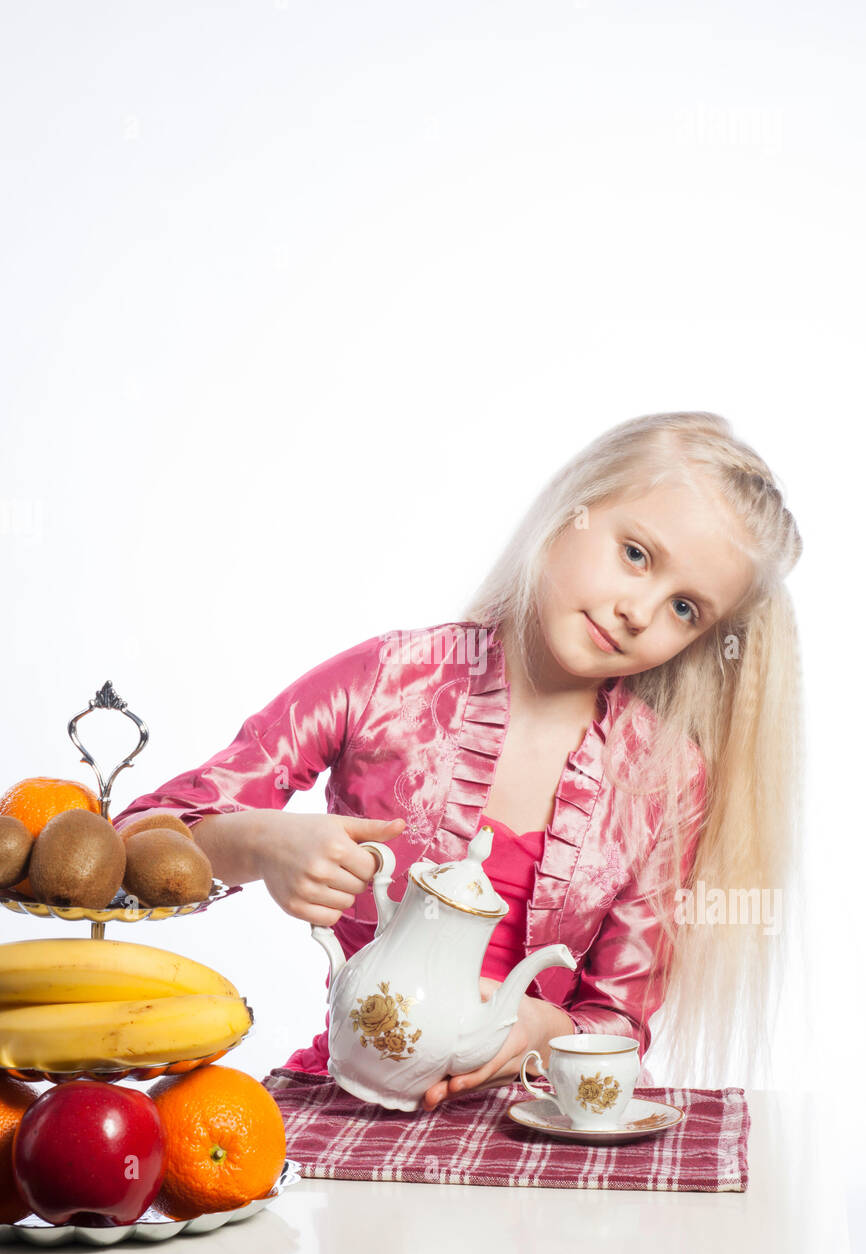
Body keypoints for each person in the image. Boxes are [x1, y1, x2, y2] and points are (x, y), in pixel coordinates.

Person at [113, 411, 804, 1100]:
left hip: (537, 1129)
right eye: (635, 554)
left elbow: (617, 1022)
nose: (639, 611)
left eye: (685, 608)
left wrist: (535, 1027)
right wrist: (261, 842)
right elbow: (131, 843)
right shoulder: (387, 682)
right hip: (344, 1102)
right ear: (575, 507)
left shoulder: (665, 776)